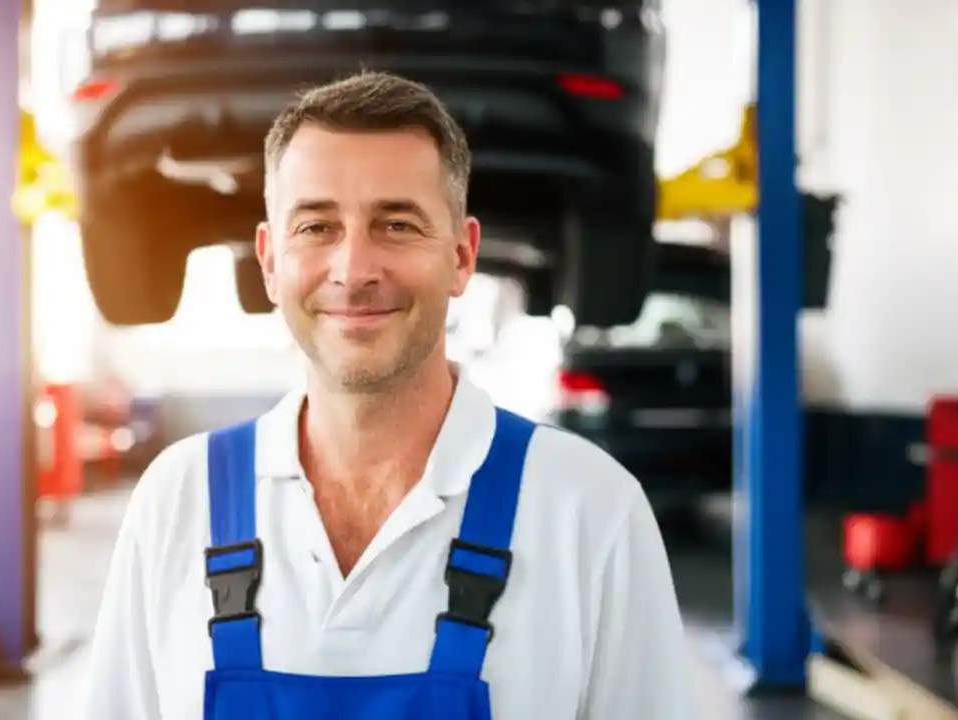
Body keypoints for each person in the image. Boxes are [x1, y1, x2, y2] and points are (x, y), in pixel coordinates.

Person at [81, 70, 695, 719]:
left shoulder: (588, 512)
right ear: (269, 261)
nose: (354, 270)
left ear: (461, 255)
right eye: (316, 227)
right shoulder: (179, 502)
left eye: (396, 225)